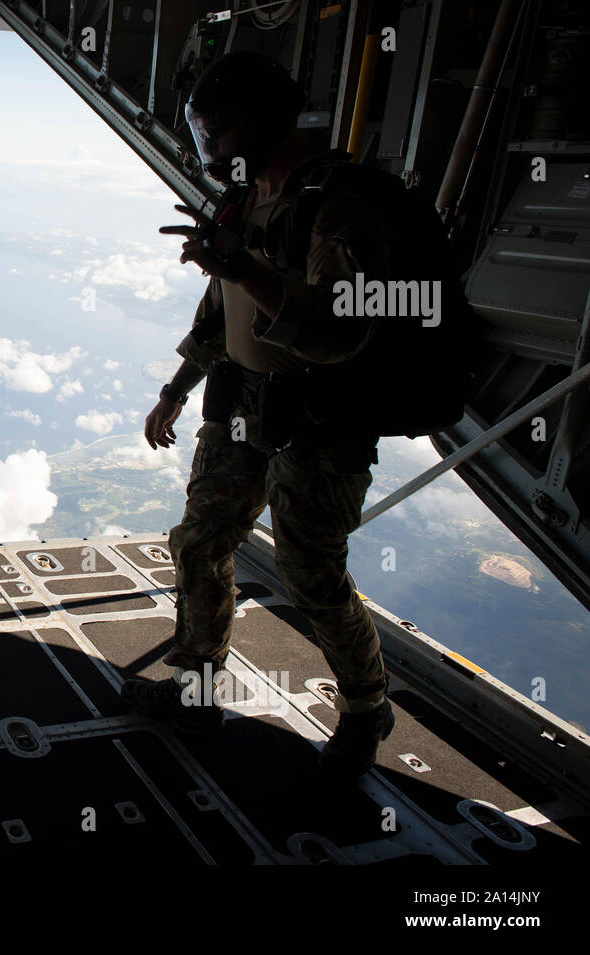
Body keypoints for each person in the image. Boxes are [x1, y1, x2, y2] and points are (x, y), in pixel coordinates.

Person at [129, 51, 447, 777]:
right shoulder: (244, 205)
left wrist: (239, 265)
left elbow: (339, 326)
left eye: (219, 134)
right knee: (200, 544)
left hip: (322, 418)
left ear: (263, 127)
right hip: (242, 403)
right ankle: (198, 692)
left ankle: (368, 708)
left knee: (310, 575)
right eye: (203, 135)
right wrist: (177, 387)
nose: (209, 152)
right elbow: (220, 311)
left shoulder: (342, 204)